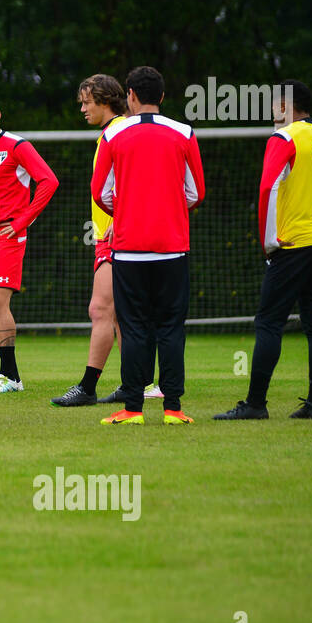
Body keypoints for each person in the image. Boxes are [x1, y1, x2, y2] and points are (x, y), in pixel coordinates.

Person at [214, 80, 312, 421]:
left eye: (274, 105)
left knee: (269, 322)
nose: (272, 112)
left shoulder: (283, 138)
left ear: (286, 106)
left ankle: (256, 404)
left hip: (294, 243)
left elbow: (268, 187)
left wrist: (269, 240)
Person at [91, 66, 205, 426]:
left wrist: (125, 213)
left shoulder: (114, 135)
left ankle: (133, 408)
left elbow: (101, 192)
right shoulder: (184, 132)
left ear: (130, 95)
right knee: (171, 326)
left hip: (129, 249)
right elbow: (196, 193)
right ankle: (173, 407)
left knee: (135, 326)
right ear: (163, 97)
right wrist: (169, 210)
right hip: (172, 248)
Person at [0, 91, 58, 394]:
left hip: (8, 233)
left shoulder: (18, 146)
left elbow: (49, 181)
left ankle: (8, 375)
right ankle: (12, 377)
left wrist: (22, 221)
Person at [52, 74, 130, 406]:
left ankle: (87, 387)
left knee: (100, 309)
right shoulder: (114, 132)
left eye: (87, 102)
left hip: (117, 235)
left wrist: (123, 219)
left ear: (106, 100)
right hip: (112, 234)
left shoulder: (118, 134)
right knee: (121, 315)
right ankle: (134, 383)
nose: (82, 109)